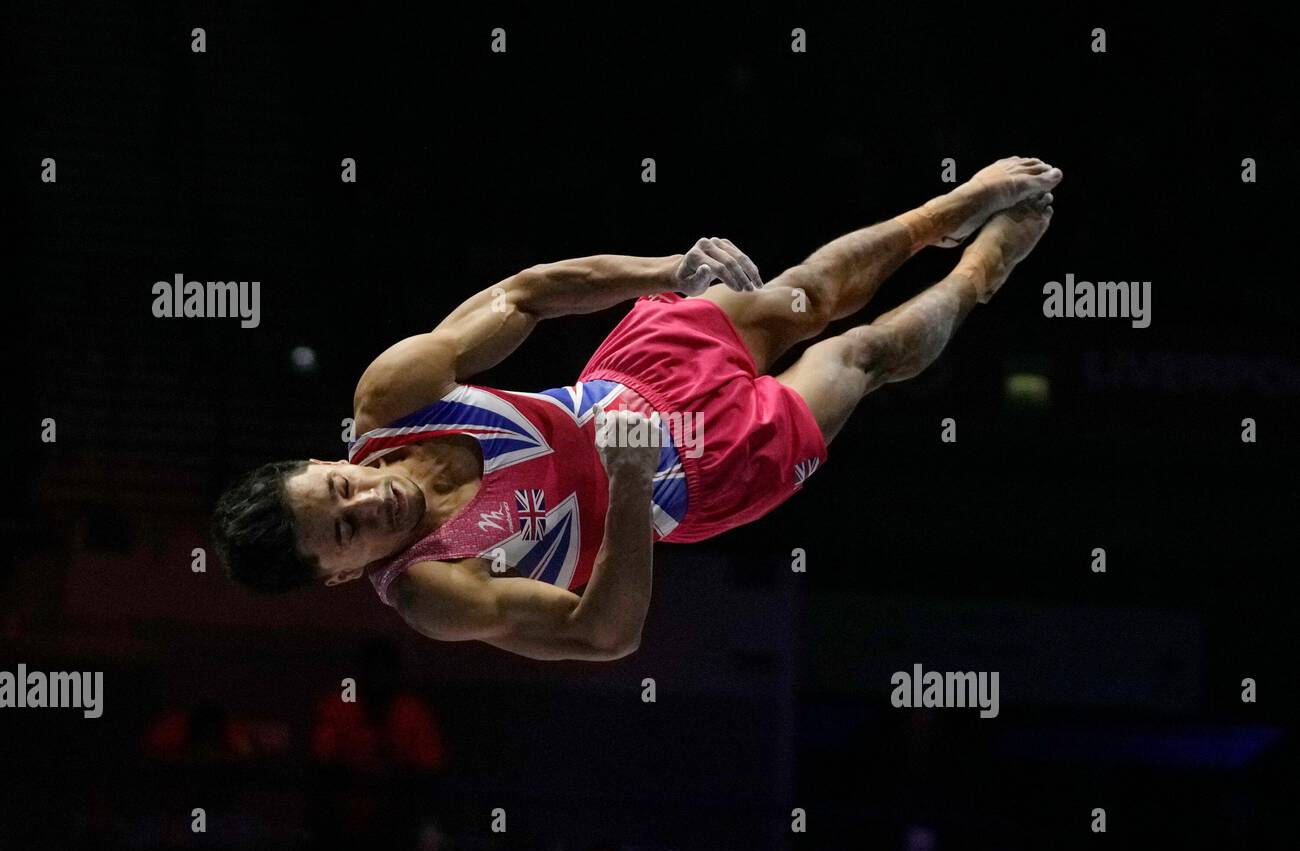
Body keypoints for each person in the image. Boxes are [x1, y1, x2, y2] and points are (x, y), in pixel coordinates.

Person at [213, 157, 1061, 661]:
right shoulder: (434, 592)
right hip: (699, 475)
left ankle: (945, 210)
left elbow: (527, 294)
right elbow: (604, 635)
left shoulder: (391, 400)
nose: (369, 501)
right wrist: (625, 481)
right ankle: (977, 274)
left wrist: (665, 271)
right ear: (341, 574)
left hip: (635, 370)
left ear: (325, 460)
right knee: (858, 355)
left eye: (338, 489)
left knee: (804, 293)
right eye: (346, 531)